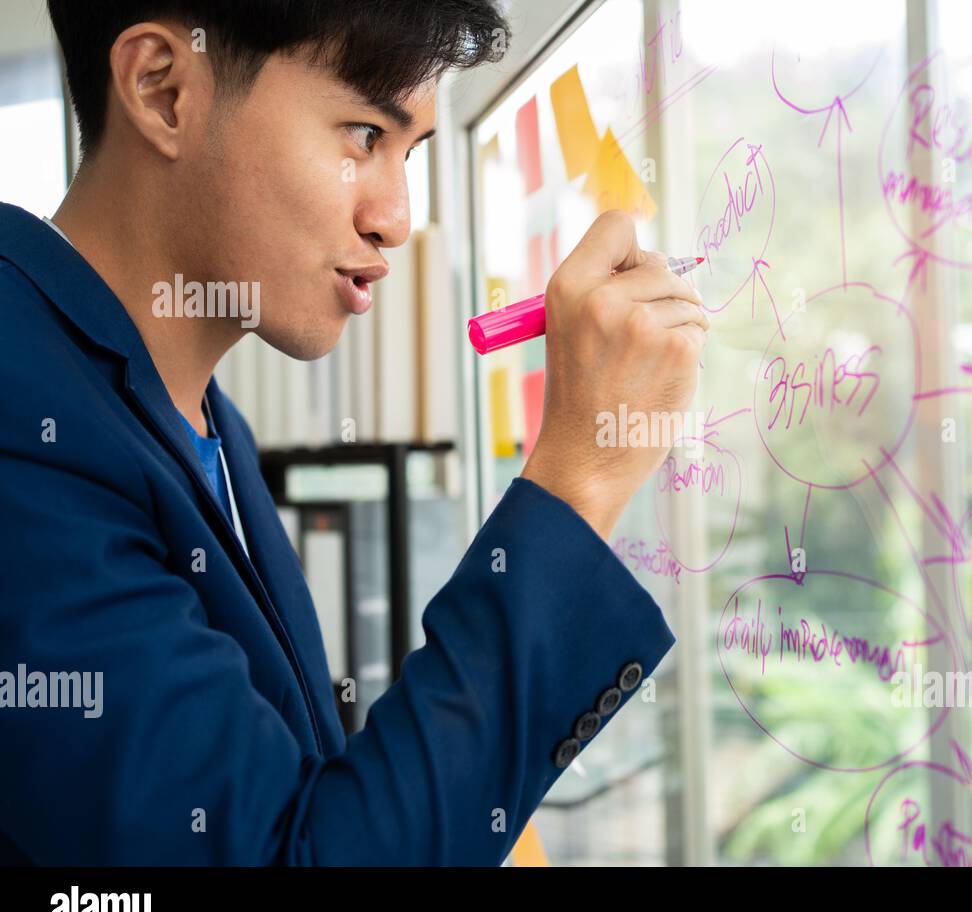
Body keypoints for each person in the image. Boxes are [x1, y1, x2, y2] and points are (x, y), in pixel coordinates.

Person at [0, 0, 708, 865]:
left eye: (410, 153)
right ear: (162, 89)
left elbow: (297, 805)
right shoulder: (19, 408)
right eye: (364, 134)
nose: (396, 219)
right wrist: (578, 483)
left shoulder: (205, 422)